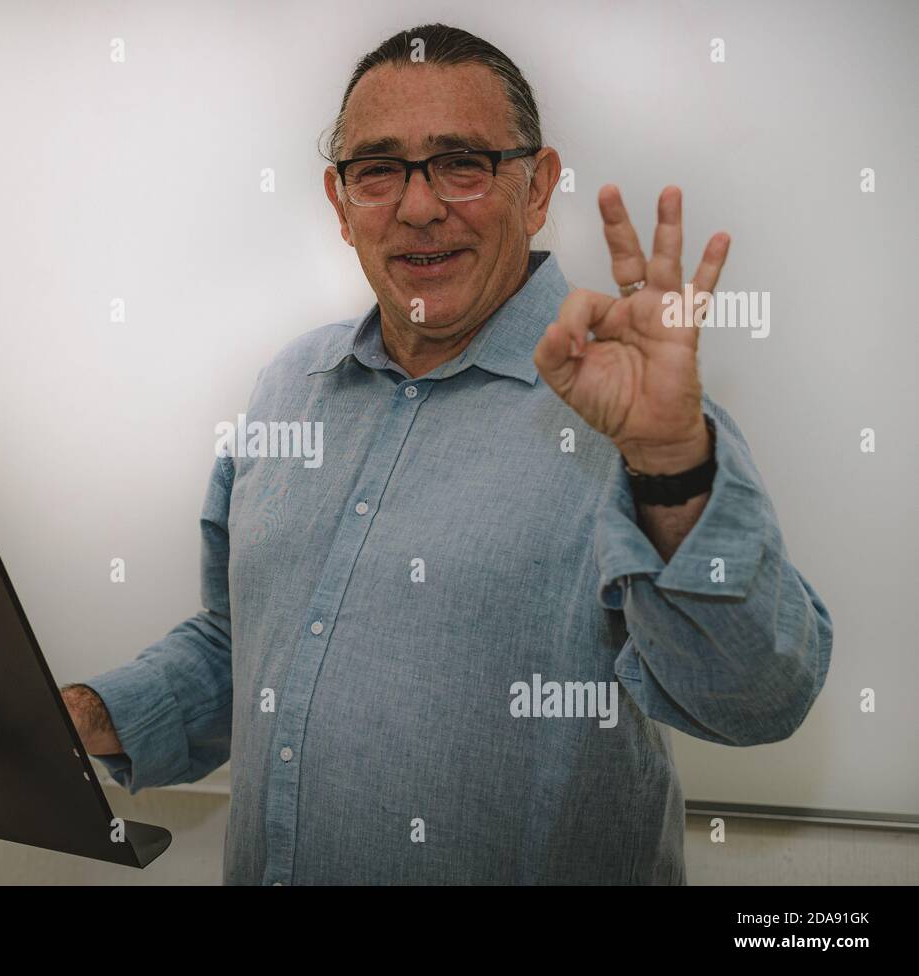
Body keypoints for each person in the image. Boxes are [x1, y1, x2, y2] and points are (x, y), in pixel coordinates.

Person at [61, 23, 832, 884]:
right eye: (378, 170)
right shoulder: (289, 387)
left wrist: (671, 461)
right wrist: (89, 715)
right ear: (340, 201)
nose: (419, 208)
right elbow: (244, 648)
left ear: (537, 189)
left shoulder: (632, 411)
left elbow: (760, 698)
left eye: (462, 162)